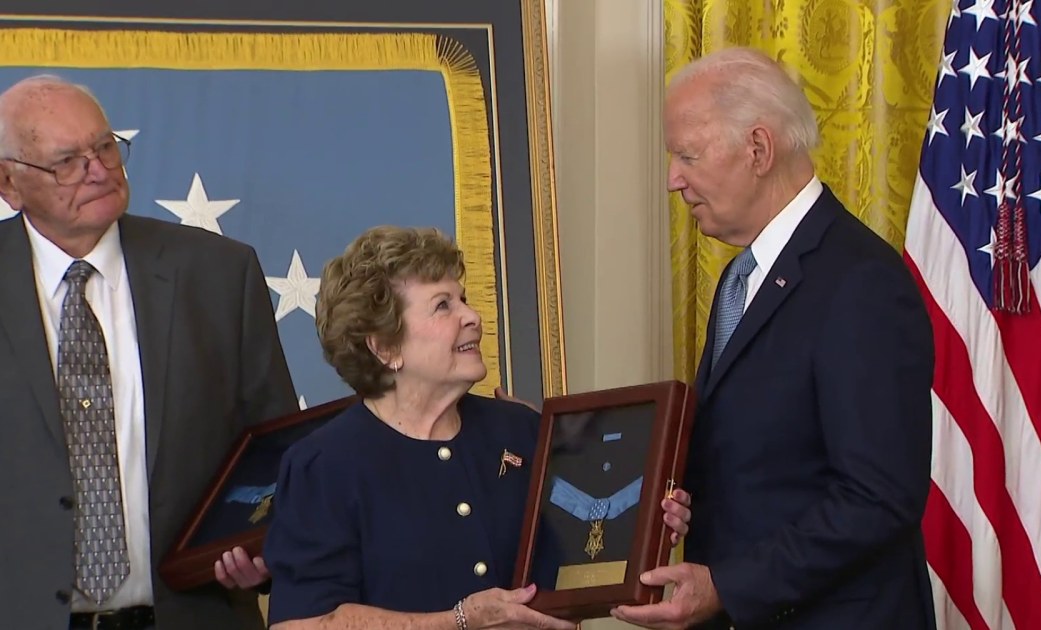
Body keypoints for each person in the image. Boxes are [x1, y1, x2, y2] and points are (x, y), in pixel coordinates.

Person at [610, 47, 936, 630]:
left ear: (758, 149)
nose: (672, 179)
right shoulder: (744, 276)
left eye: (687, 155)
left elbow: (877, 497)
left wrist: (726, 587)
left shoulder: (860, 282)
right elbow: (766, 463)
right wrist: (688, 500)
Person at [263, 226, 693, 629]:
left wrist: (646, 532)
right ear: (385, 346)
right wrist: (459, 621)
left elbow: (577, 558)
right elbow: (303, 623)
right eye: (443, 305)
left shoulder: (520, 431)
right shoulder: (323, 465)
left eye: (463, 299)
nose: (472, 316)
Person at [0, 75, 299, 629]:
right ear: (9, 183)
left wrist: (265, 551)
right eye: (67, 160)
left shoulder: (218, 273)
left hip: (195, 614)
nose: (99, 170)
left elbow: (278, 452)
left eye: (106, 147)